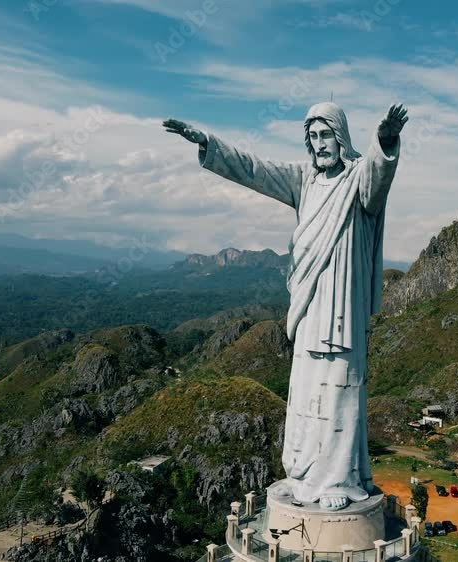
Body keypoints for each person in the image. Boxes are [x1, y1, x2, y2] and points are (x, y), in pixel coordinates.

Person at [163, 102, 407, 510]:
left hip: (342, 309)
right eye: (312, 137)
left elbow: (380, 177)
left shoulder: (358, 178)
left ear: (341, 136)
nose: (319, 143)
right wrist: (208, 144)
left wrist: (384, 140)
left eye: (325, 134)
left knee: (339, 392)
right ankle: (306, 473)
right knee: (309, 389)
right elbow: (255, 170)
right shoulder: (303, 181)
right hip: (310, 306)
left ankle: (339, 482)